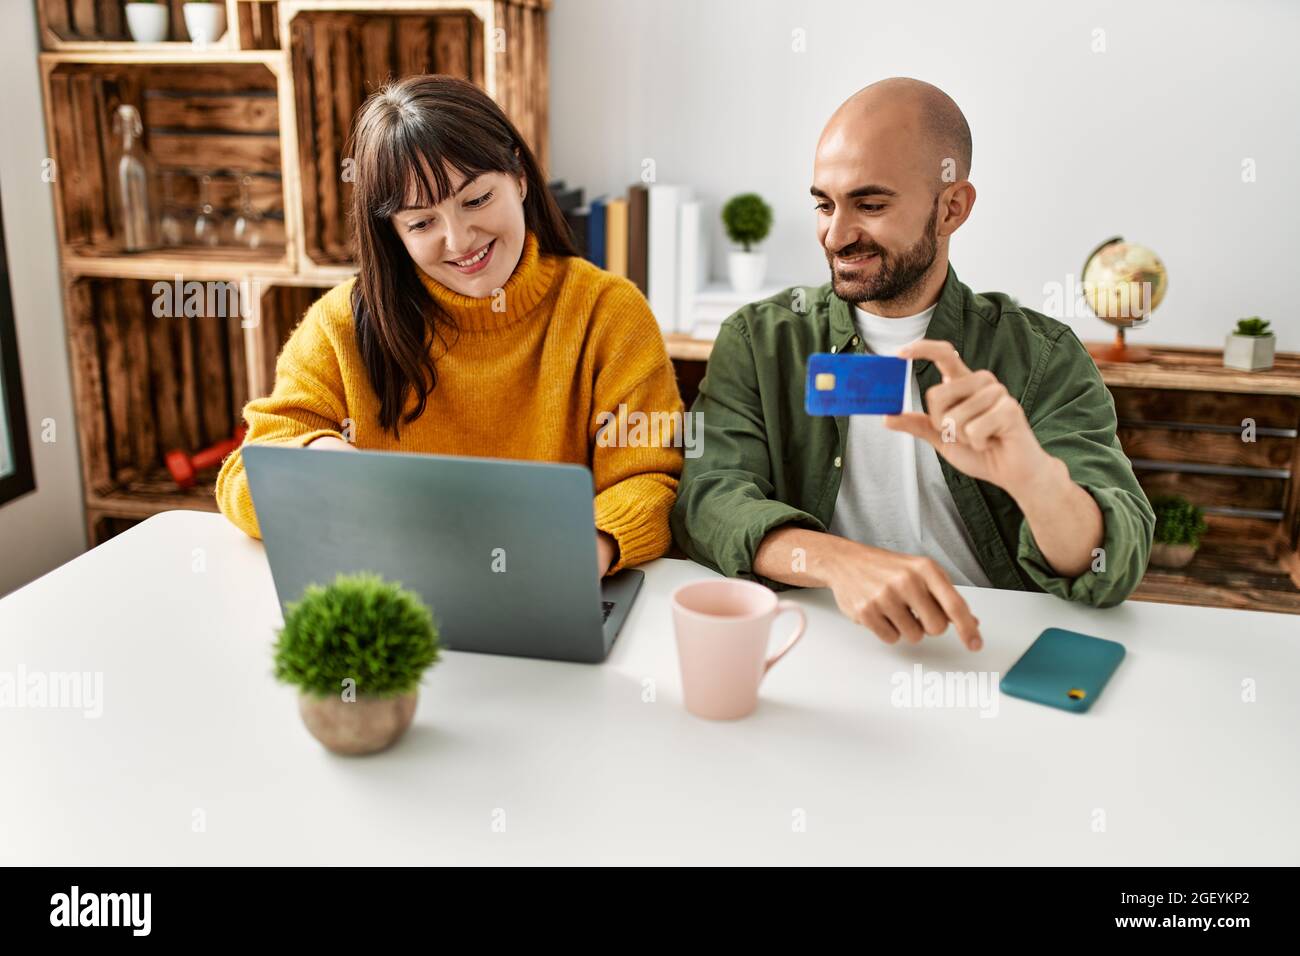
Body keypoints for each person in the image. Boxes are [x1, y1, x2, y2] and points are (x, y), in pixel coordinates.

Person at [671, 77, 1154, 651]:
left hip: (990, 650)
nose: (837, 234)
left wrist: (1033, 477)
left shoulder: (1040, 355)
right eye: (824, 204)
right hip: (827, 640)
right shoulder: (759, 341)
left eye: (871, 205)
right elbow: (709, 498)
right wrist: (842, 563)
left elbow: (1112, 562)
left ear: (952, 207)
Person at [217, 75, 684, 577]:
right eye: (421, 223)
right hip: (394, 607)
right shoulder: (340, 324)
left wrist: (587, 549)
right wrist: (321, 459)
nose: (459, 240)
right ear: (393, 234)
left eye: (477, 199)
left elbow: (649, 478)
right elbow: (243, 479)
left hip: (551, 591)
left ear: (519, 177)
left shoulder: (608, 313)